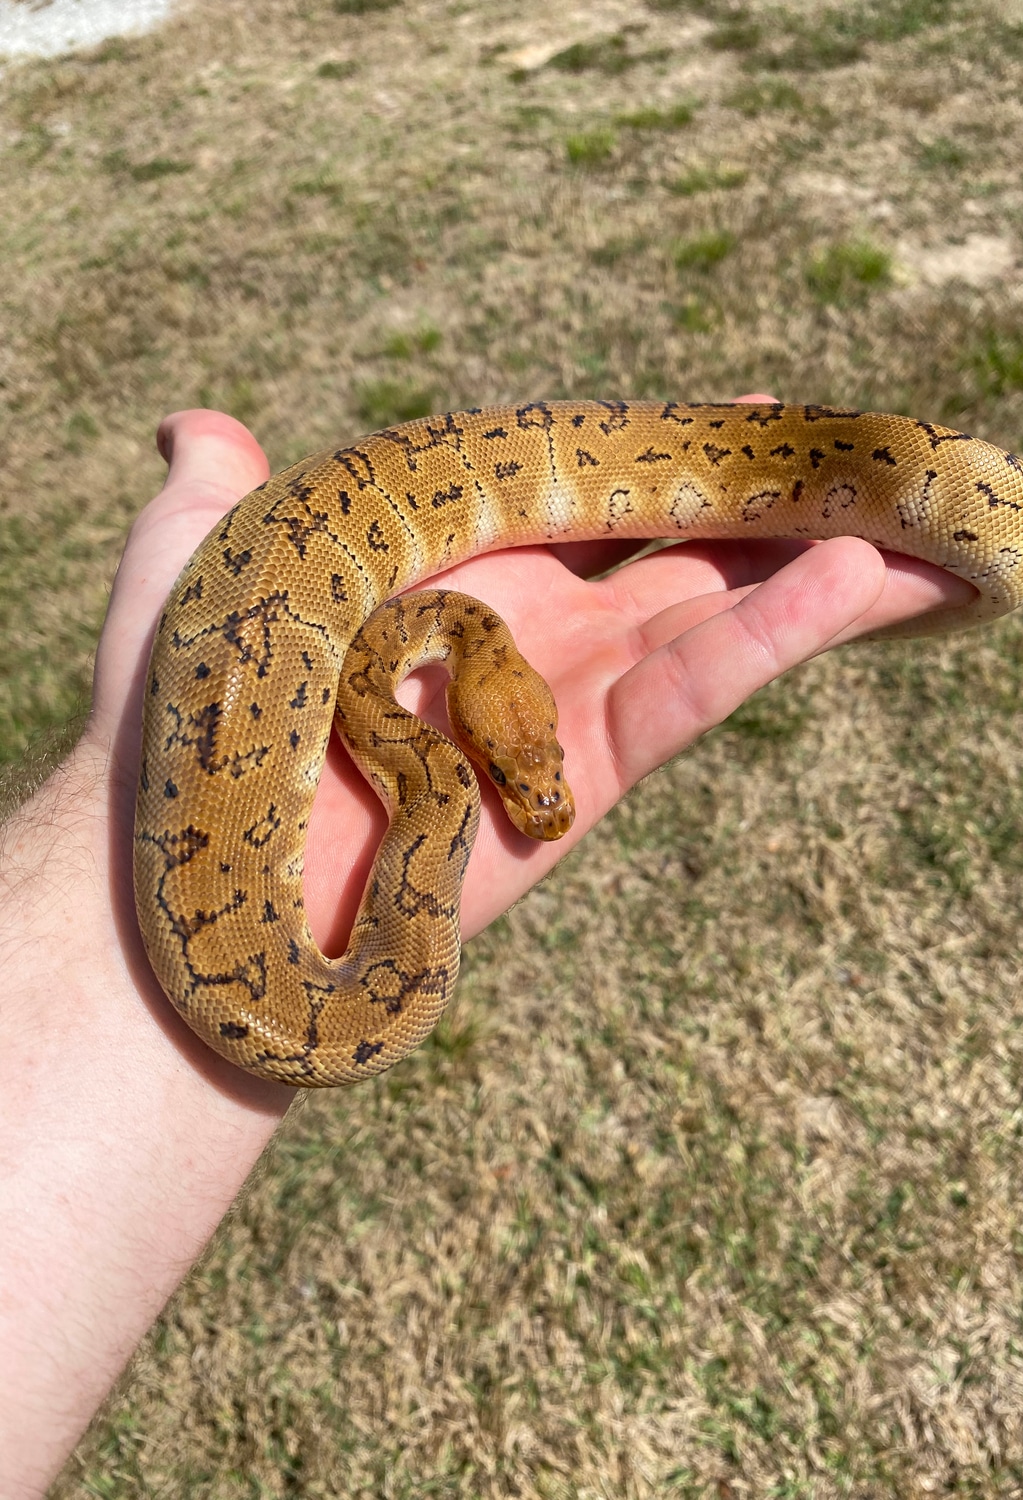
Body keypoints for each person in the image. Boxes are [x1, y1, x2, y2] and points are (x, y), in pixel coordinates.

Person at [0, 399, 971, 1497]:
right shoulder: (417, 754)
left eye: (527, 768)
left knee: (954, 507)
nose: (535, 801)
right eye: (518, 773)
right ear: (457, 719)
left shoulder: (449, 681)